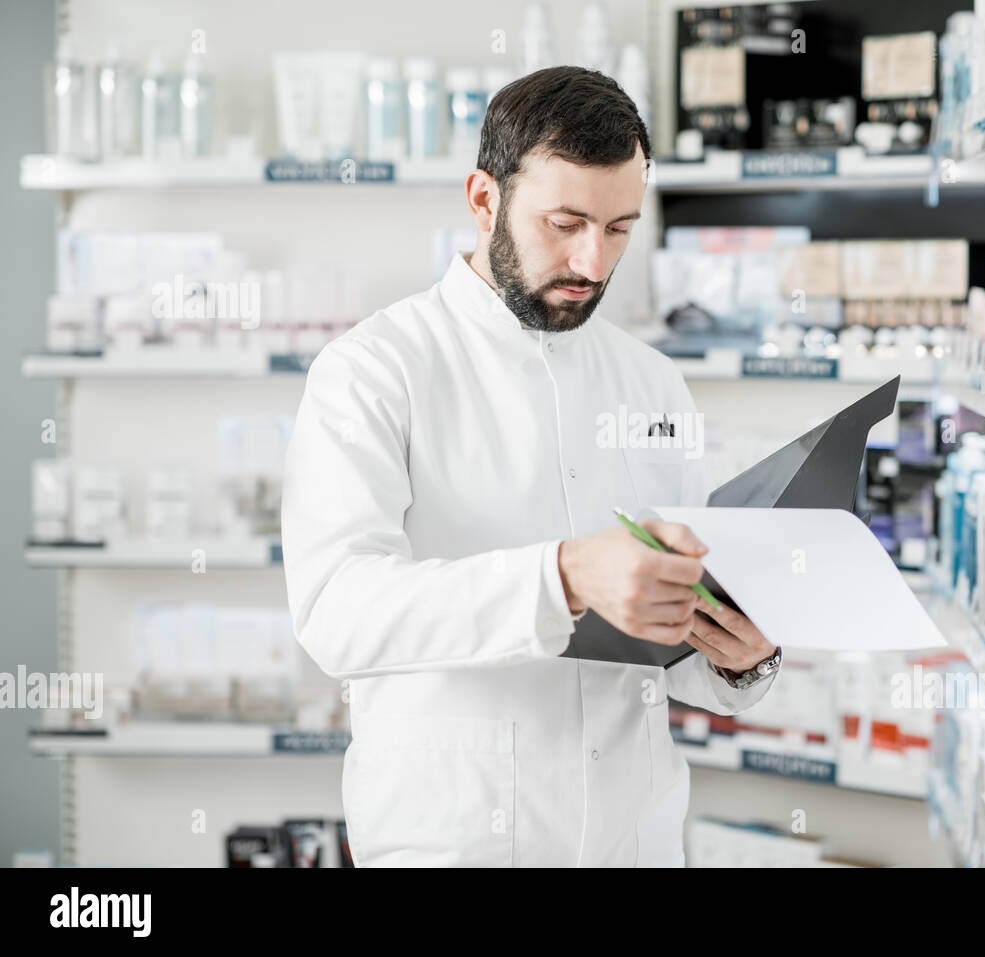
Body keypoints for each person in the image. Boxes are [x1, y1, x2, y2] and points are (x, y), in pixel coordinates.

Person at [280, 66, 780, 867]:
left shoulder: (652, 381)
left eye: (620, 228)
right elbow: (339, 611)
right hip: (454, 840)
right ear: (484, 199)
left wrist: (741, 655)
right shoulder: (375, 370)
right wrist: (562, 576)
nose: (593, 260)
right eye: (566, 222)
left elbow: (679, 641)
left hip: (634, 841)